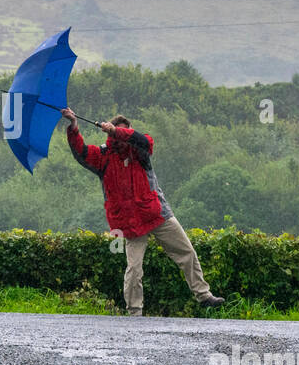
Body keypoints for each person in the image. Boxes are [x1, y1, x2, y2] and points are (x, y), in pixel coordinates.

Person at [62, 108, 224, 316]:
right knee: (134, 270)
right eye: (118, 132)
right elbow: (81, 153)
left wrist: (115, 131)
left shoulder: (140, 151)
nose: (122, 137)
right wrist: (74, 125)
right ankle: (134, 312)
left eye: (124, 132)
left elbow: (144, 140)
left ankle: (204, 296)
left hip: (156, 214)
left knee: (186, 252)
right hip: (129, 224)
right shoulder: (103, 156)